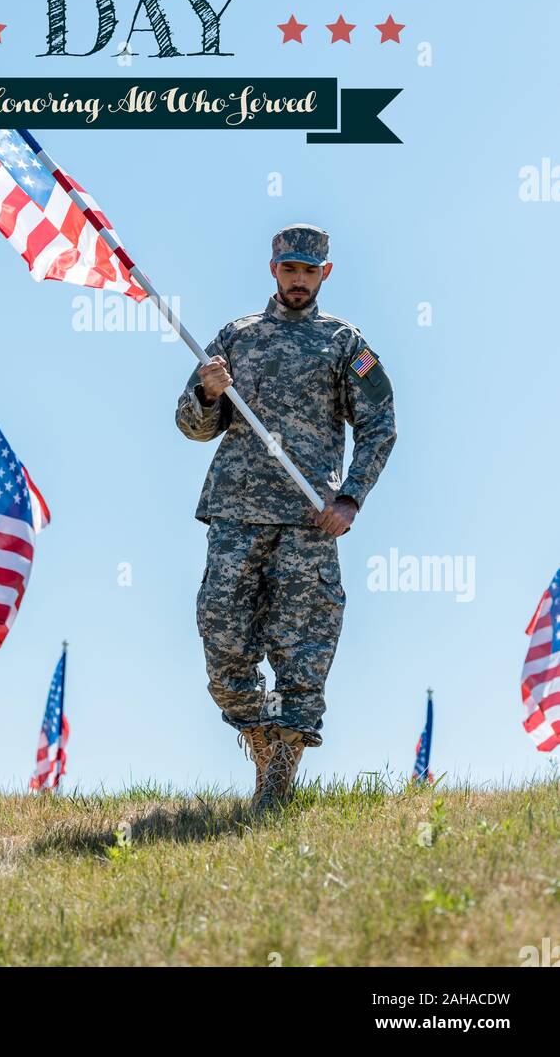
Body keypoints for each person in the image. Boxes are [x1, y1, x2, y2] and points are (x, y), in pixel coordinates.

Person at [175, 224, 396, 812]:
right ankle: (258, 741)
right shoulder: (237, 338)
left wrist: (350, 498)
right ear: (273, 269)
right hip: (234, 515)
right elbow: (192, 427)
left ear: (326, 273)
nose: (299, 279)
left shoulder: (344, 343)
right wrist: (206, 391)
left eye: (309, 270)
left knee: (305, 653)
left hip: (308, 521)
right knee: (221, 638)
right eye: (289, 268)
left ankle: (280, 777)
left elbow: (380, 424)